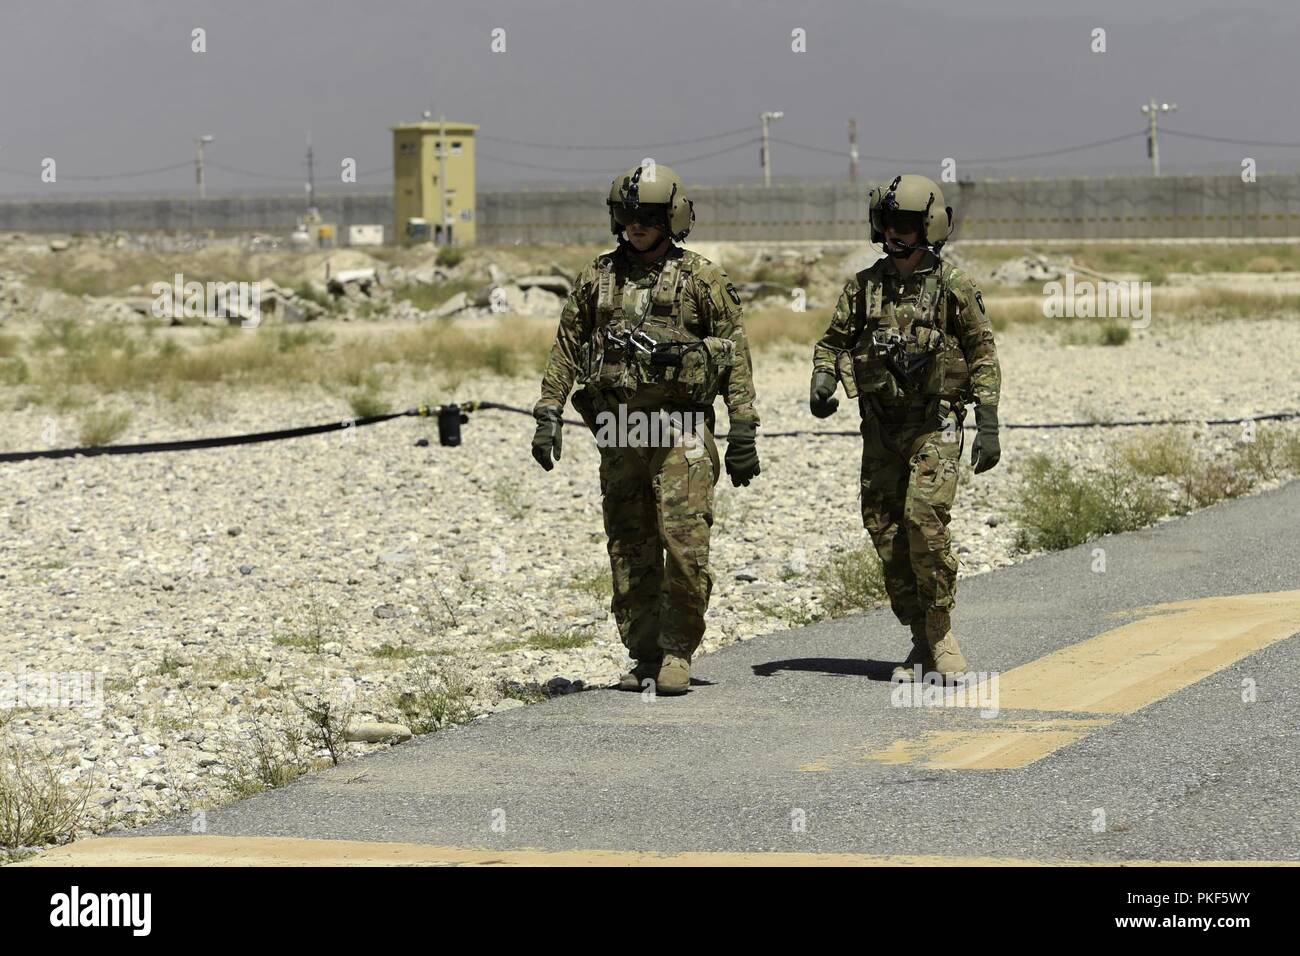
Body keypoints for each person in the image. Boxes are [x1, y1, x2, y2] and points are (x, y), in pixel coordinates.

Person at [531, 163, 761, 695]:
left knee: (684, 546)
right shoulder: (597, 277)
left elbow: (735, 357)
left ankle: (677, 651)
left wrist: (743, 429)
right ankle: (644, 652)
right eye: (628, 215)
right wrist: (549, 414)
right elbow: (566, 349)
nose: (636, 225)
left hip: (681, 431)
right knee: (630, 547)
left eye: (649, 216)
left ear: (672, 219)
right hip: (619, 430)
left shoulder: (703, 280)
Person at [809, 174, 1001, 681]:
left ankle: (941, 635)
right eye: (890, 223)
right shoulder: (864, 286)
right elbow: (832, 343)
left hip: (933, 428)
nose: (897, 234)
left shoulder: (953, 288)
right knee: (886, 532)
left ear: (930, 228)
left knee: (925, 524)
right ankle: (918, 637)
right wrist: (822, 380)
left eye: (909, 225)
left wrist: (989, 421)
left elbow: (983, 353)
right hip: (880, 431)